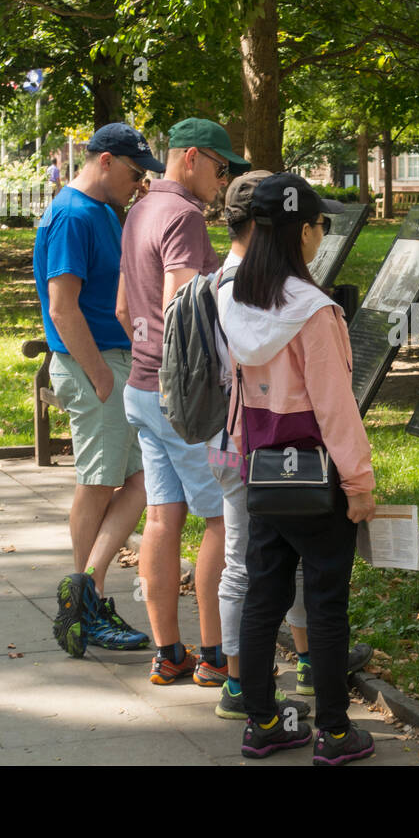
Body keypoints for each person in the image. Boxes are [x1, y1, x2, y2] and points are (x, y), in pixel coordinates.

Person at [223, 172, 378, 765]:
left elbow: (238, 394)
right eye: (319, 224)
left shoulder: (235, 299)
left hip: (262, 469)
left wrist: (242, 459)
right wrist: (359, 483)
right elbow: (335, 406)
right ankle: (335, 733)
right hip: (317, 476)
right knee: (326, 602)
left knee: (265, 595)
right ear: (301, 232)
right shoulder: (314, 311)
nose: (321, 235)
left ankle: (262, 721)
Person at [117, 117, 248, 686]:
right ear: (191, 158)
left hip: (142, 390)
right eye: (221, 169)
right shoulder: (185, 216)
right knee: (220, 517)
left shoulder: (140, 209)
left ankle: (169, 653)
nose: (223, 182)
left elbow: (126, 309)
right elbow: (182, 312)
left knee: (162, 517)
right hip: (185, 402)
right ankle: (216, 656)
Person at [33, 122, 162, 658]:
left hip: (113, 362)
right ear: (105, 161)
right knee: (99, 482)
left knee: (138, 482)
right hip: (94, 366)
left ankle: (86, 588)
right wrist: (101, 374)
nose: (139, 185)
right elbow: (62, 307)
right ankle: (85, 604)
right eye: (135, 174)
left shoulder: (103, 211)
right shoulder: (73, 214)